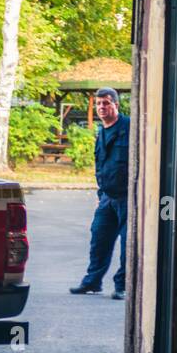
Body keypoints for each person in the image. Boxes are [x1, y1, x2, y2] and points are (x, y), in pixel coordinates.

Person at [70, 88, 129, 300]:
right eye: (99, 104)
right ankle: (93, 282)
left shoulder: (129, 127)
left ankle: (122, 286)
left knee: (127, 246)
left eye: (106, 103)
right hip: (107, 198)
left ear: (116, 104)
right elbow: (100, 166)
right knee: (99, 239)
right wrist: (100, 196)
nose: (102, 107)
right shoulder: (101, 132)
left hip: (128, 199)